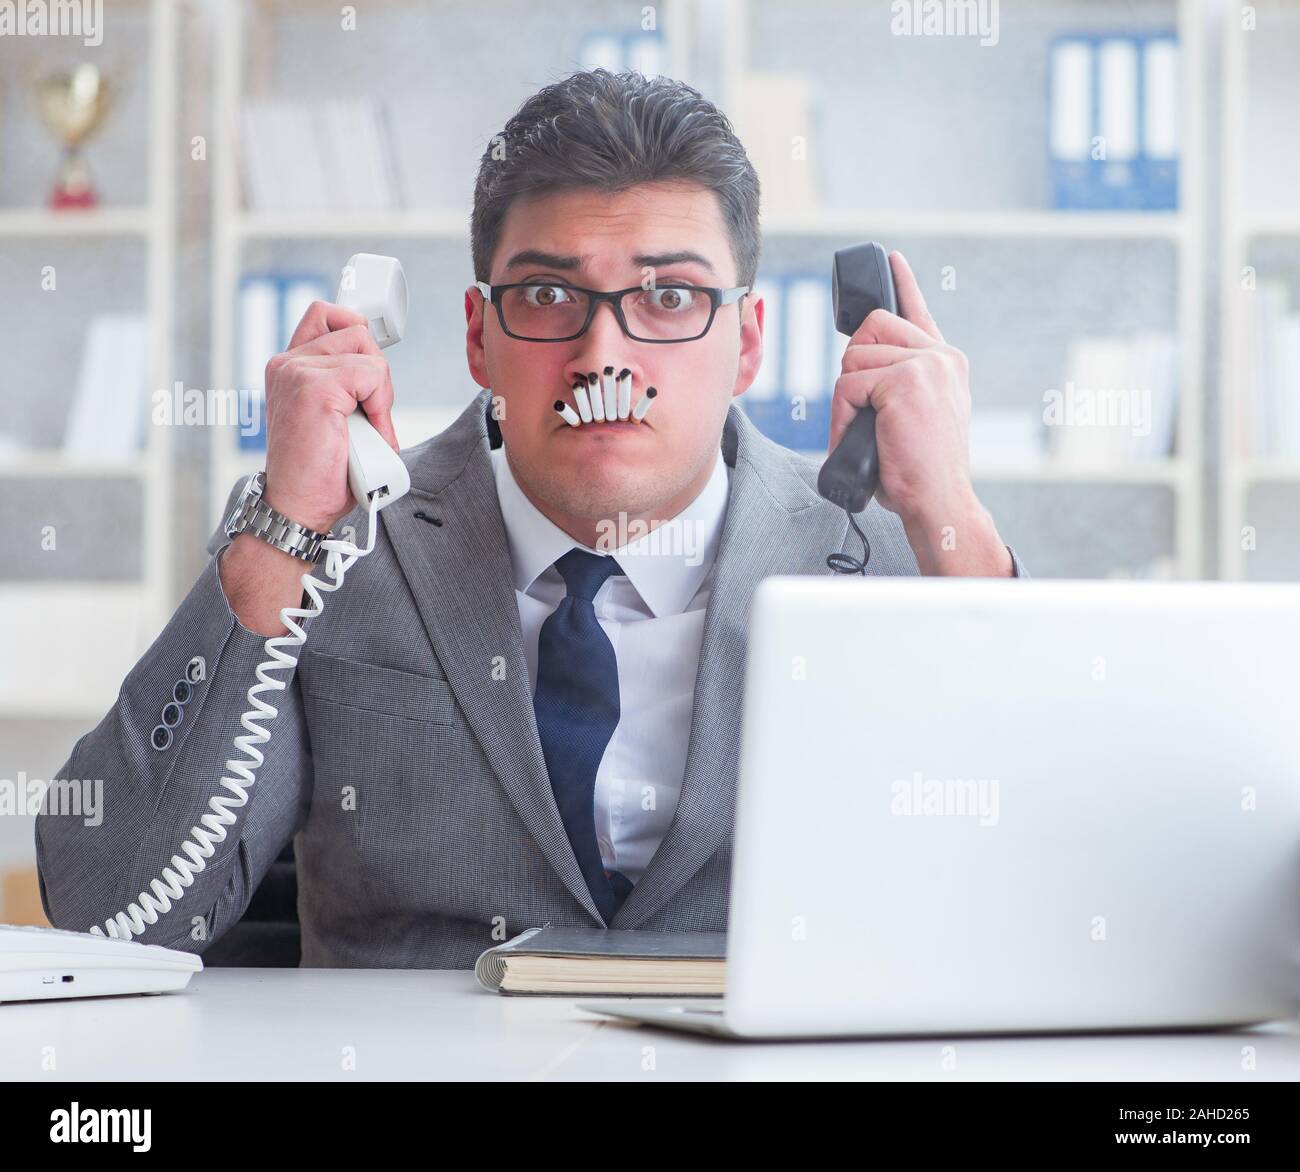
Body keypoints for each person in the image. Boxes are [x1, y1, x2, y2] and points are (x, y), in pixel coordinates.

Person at [36, 69, 1024, 967]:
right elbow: (105, 908)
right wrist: (281, 532)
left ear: (749, 342)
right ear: (476, 335)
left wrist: (949, 520)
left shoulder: (897, 555)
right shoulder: (322, 548)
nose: (603, 355)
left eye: (670, 295)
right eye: (549, 294)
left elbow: (1042, 884)